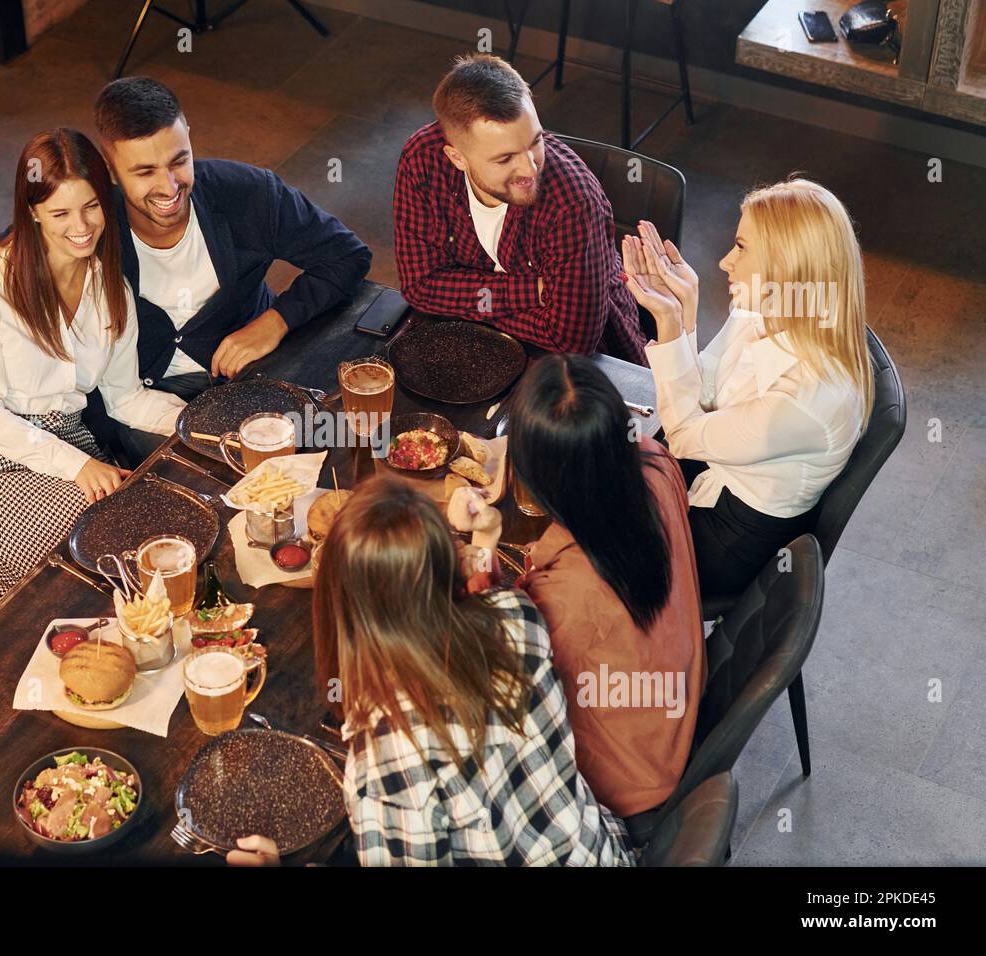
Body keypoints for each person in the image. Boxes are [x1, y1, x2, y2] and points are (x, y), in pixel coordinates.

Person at [0, 76, 371, 462]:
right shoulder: (88, 221)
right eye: (144, 172)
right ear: (110, 171)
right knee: (213, 488)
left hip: (251, 371)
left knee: (331, 445)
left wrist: (275, 322)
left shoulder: (249, 194)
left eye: (179, 161)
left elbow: (347, 256)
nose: (169, 187)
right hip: (140, 403)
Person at [227, 476, 634, 867]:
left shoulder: (387, 769)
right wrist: (488, 535)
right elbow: (482, 595)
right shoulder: (517, 616)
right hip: (598, 848)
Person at [0, 129, 186, 607]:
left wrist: (196, 425)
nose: (81, 226)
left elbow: (126, 397)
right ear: (32, 211)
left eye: (90, 206)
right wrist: (79, 466)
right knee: (120, 568)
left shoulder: (111, 291)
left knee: (166, 540)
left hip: (70, 444)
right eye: (60, 213)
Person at [621, 178, 874, 597]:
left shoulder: (804, 401)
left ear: (786, 264)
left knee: (585, 525)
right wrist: (685, 306)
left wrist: (668, 321)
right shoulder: (767, 308)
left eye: (741, 247)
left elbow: (683, 434)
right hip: (710, 468)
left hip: (728, 539)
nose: (724, 262)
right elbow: (701, 393)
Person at [506, 353, 704, 819]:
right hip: (672, 717)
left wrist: (480, 553)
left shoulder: (566, 597)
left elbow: (506, 675)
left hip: (624, 782)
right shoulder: (655, 464)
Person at [393, 53, 646, 364]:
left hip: (579, 368)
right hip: (468, 348)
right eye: (504, 159)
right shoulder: (423, 159)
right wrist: (537, 292)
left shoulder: (576, 202)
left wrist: (467, 305)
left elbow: (571, 341)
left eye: (535, 142)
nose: (530, 169)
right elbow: (421, 287)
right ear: (457, 157)